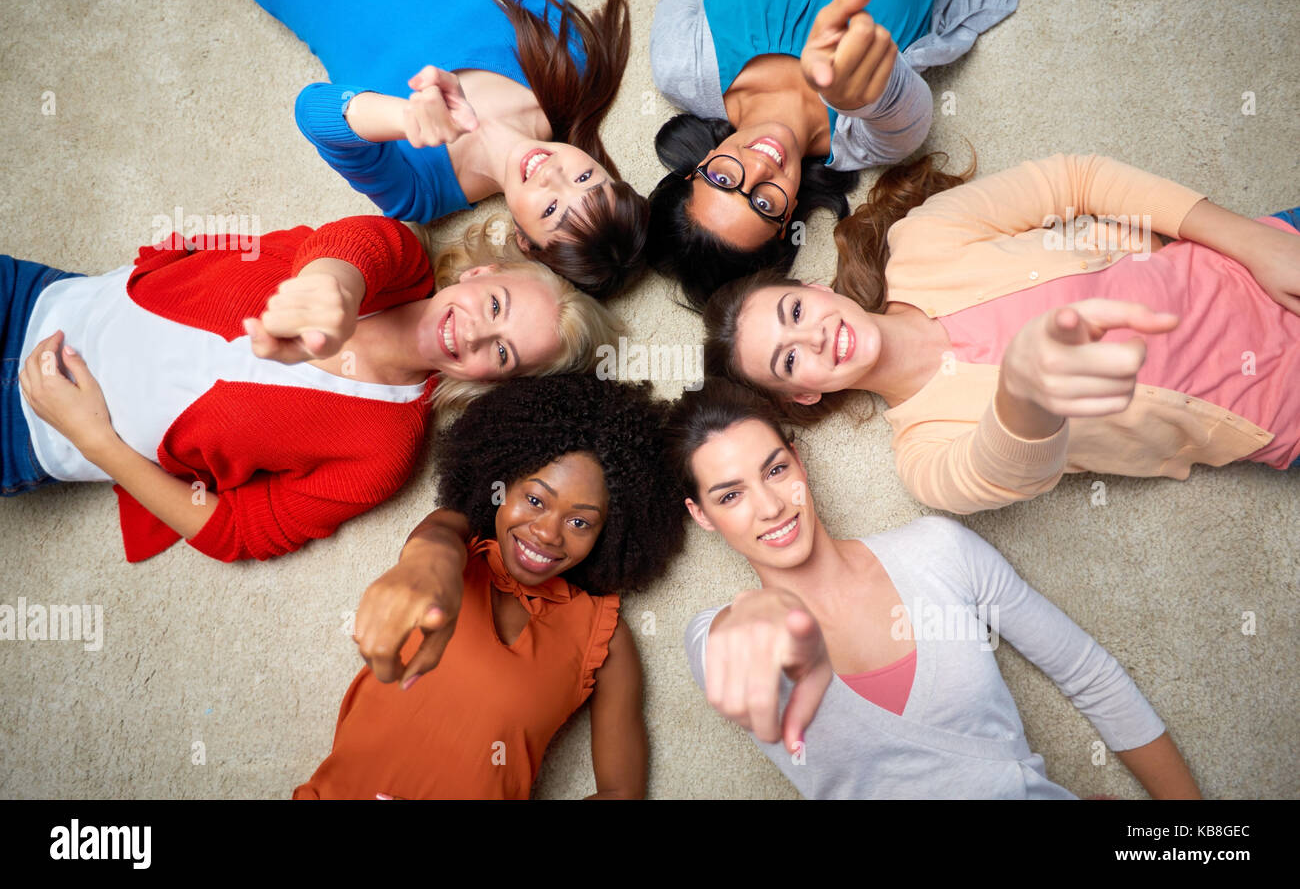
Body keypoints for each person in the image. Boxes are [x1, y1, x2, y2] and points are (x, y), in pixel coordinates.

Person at [665, 379, 1200, 799]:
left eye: (776, 470)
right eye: (730, 496)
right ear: (702, 515)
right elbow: (724, 641)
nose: (771, 506)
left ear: (800, 461)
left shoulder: (937, 551)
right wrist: (761, 615)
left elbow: (1088, 673)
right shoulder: (714, 641)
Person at [703, 152, 1300, 514]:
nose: (812, 340)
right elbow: (1009, 470)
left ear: (818, 291)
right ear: (805, 394)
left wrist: (1254, 242)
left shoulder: (924, 238)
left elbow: (1077, 180)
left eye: (795, 314)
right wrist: (1024, 390)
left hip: (1265, 260)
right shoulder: (923, 457)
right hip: (1281, 412)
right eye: (788, 363)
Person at [4, 216, 621, 562]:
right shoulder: (398, 256)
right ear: (484, 272)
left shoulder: (382, 456)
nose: (478, 333)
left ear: (498, 383)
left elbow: (240, 532)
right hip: (38, 299)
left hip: (31, 433)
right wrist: (331, 295)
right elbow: (346, 255)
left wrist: (93, 438)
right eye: (495, 303)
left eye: (504, 353)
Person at [294, 374, 686, 799]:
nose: (548, 533)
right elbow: (433, 547)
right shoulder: (457, 543)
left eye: (580, 522)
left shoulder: (604, 637)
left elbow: (622, 793)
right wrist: (429, 564)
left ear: (610, 532)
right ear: (499, 481)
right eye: (535, 500)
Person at [193, 0, 647, 298]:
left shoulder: (419, 195)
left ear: (524, 241)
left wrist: (403, 116)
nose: (554, 177)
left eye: (551, 210)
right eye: (587, 181)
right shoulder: (568, 66)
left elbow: (311, 109)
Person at [647, 0, 1018, 306]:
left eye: (724, 179)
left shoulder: (681, 64)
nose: (759, 168)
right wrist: (857, 93)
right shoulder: (870, 140)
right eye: (762, 204)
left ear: (701, 164)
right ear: (788, 215)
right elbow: (908, 108)